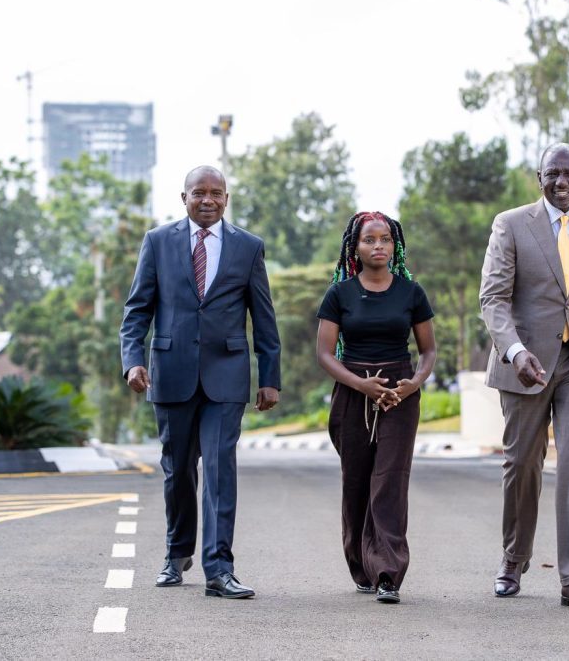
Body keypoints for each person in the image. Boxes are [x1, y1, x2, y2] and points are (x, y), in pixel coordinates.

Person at [120, 165, 281, 599]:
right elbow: (137, 311)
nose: (207, 200)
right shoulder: (157, 242)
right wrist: (133, 362)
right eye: (199, 193)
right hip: (170, 373)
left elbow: (263, 317)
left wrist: (270, 377)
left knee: (218, 468)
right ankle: (176, 553)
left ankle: (219, 568)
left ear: (226, 198)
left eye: (216, 193)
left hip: (227, 375)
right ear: (184, 197)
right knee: (178, 472)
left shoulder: (248, 247)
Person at [479, 143, 569, 609]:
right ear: (537, 177)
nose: (561, 183)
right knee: (522, 465)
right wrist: (515, 351)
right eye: (552, 174)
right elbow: (494, 299)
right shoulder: (512, 224)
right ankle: (513, 559)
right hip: (524, 365)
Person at [316, 211, 436, 604]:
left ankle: (387, 571)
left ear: (395, 245)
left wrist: (413, 383)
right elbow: (324, 353)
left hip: (399, 393)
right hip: (353, 392)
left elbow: (428, 350)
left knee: (389, 481)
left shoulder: (411, 292)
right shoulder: (340, 294)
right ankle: (359, 563)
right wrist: (362, 385)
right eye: (369, 240)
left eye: (385, 239)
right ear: (356, 247)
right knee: (356, 482)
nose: (378, 245)